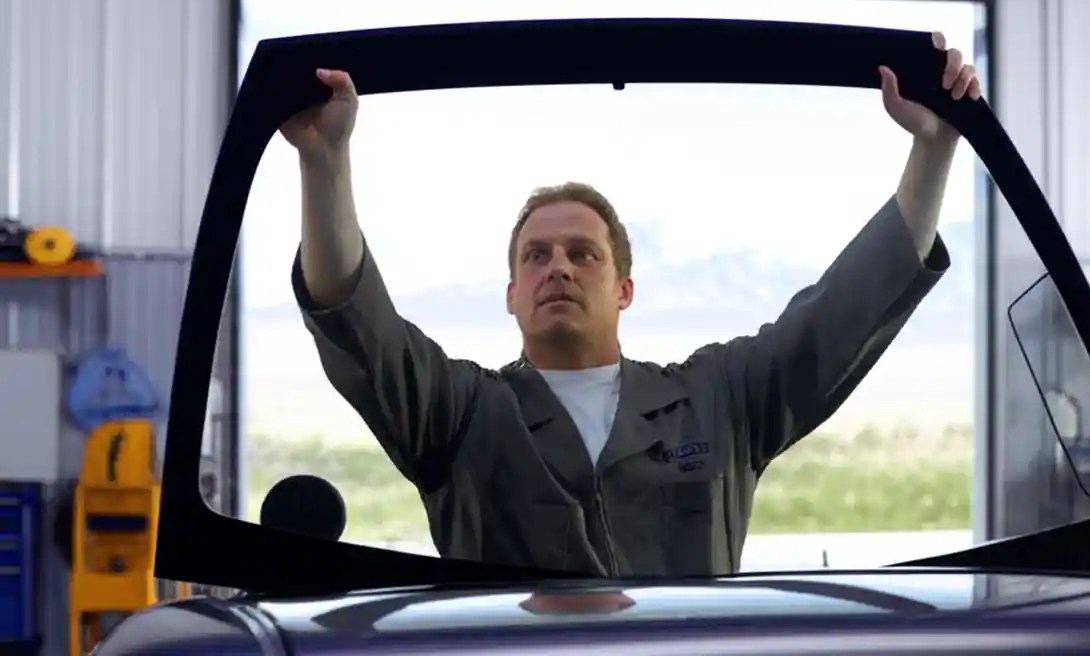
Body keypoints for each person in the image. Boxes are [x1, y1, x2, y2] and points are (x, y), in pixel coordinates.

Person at [282, 31, 981, 577]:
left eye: (583, 253)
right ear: (511, 296)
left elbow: (845, 313)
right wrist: (324, 159)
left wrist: (935, 148)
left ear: (624, 289)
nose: (558, 266)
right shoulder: (459, 414)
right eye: (536, 255)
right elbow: (354, 317)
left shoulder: (717, 399)